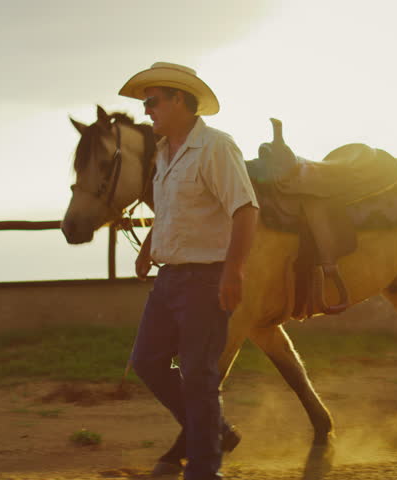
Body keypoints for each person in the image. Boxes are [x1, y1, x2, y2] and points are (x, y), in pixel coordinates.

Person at [119, 62, 259, 480]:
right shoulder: (164, 154)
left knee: (198, 375)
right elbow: (173, 211)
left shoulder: (216, 147)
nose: (147, 111)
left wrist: (233, 273)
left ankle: (203, 470)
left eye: (152, 102)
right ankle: (214, 429)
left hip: (204, 279)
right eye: (146, 104)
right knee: (147, 362)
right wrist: (149, 246)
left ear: (180, 99)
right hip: (169, 279)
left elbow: (246, 209)